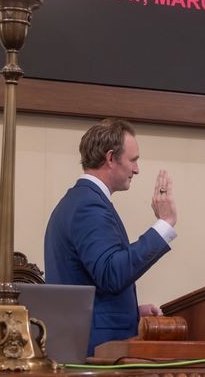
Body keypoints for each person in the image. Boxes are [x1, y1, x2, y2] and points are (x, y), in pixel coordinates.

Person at [44, 118, 177, 352]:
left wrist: (132, 312)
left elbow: (93, 283)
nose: (137, 169)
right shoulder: (88, 205)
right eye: (133, 160)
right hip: (94, 352)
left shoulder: (80, 200)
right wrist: (164, 225)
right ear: (110, 158)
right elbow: (111, 274)